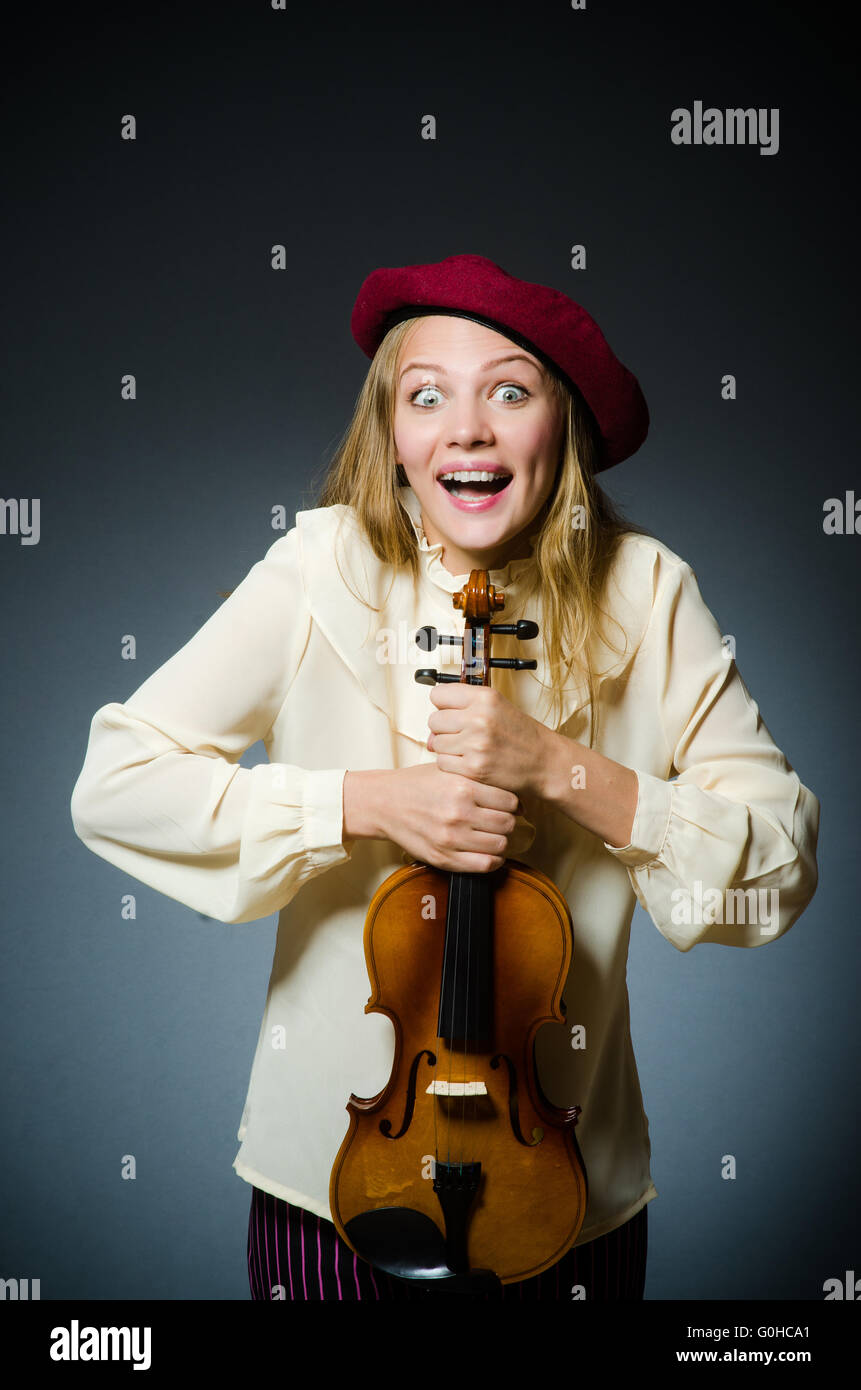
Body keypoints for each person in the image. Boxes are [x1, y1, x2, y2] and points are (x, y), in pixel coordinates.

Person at [70, 252, 820, 1302]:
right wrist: (364, 802)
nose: (466, 429)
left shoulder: (648, 591)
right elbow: (116, 780)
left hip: (566, 1189)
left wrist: (561, 767)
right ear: (395, 438)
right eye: (427, 397)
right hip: (334, 1179)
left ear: (562, 426)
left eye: (508, 392)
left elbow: (779, 862)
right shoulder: (321, 566)